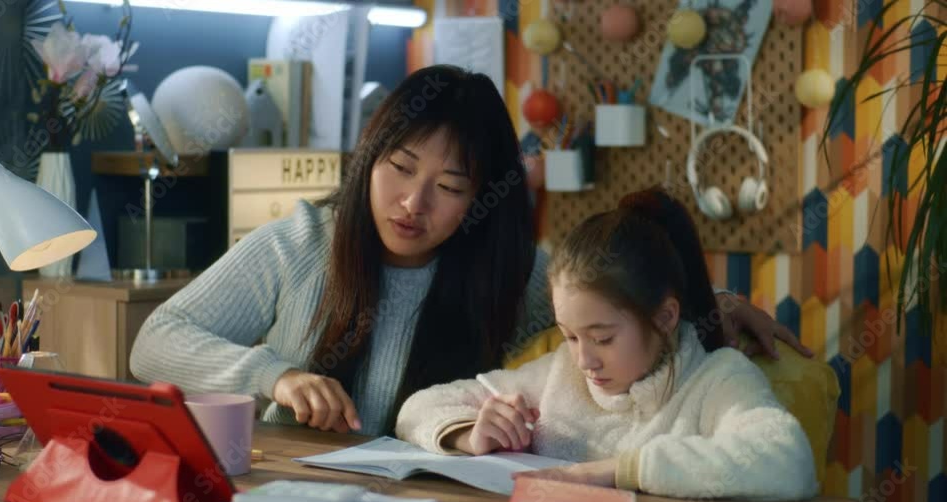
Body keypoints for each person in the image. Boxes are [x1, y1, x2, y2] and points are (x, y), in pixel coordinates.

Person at [130, 65, 812, 438]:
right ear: (368, 158)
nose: (412, 203)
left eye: (450, 187)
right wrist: (275, 376)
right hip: (292, 501)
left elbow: (610, 302)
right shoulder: (303, 241)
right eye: (399, 168)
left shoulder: (510, 273)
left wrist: (715, 304)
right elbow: (156, 340)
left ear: (483, 199)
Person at [395, 188, 817, 501]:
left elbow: (789, 460)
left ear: (665, 318)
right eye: (569, 335)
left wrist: (619, 471)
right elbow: (415, 409)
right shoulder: (559, 373)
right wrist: (470, 433)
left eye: (603, 338)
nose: (584, 360)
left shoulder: (716, 379)